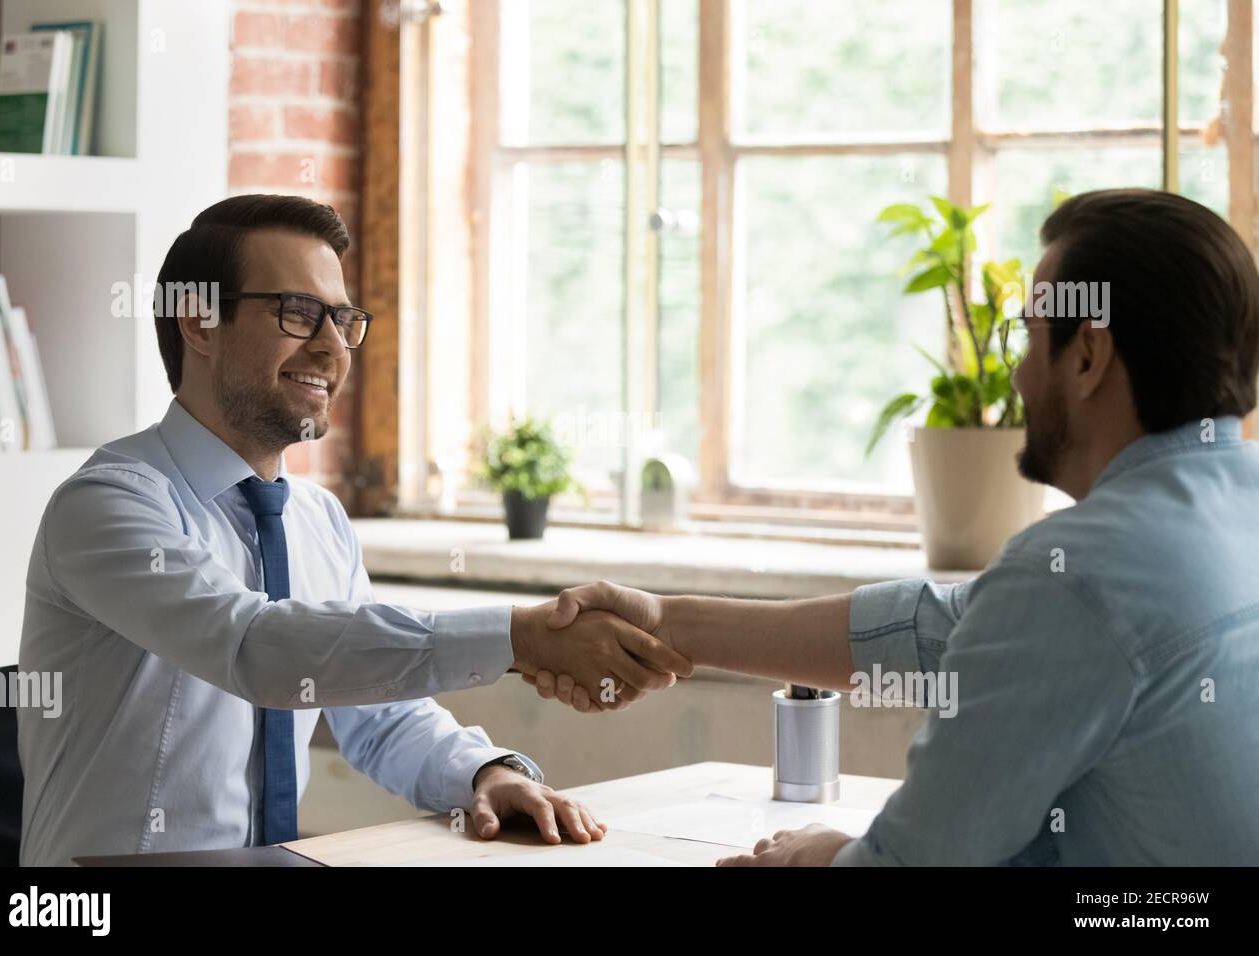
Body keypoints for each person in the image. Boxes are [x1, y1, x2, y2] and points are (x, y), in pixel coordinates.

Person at [534, 189, 1259, 866]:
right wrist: (668, 623)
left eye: (1027, 336)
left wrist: (835, 857)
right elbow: (943, 631)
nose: (1015, 377)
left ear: (1090, 356)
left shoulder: (1077, 574)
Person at [17, 194, 692, 866]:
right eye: (299, 313)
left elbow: (380, 711)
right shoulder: (106, 505)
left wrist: (488, 773)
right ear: (199, 321)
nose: (332, 346)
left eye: (342, 319)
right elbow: (257, 650)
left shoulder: (317, 521)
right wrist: (519, 637)